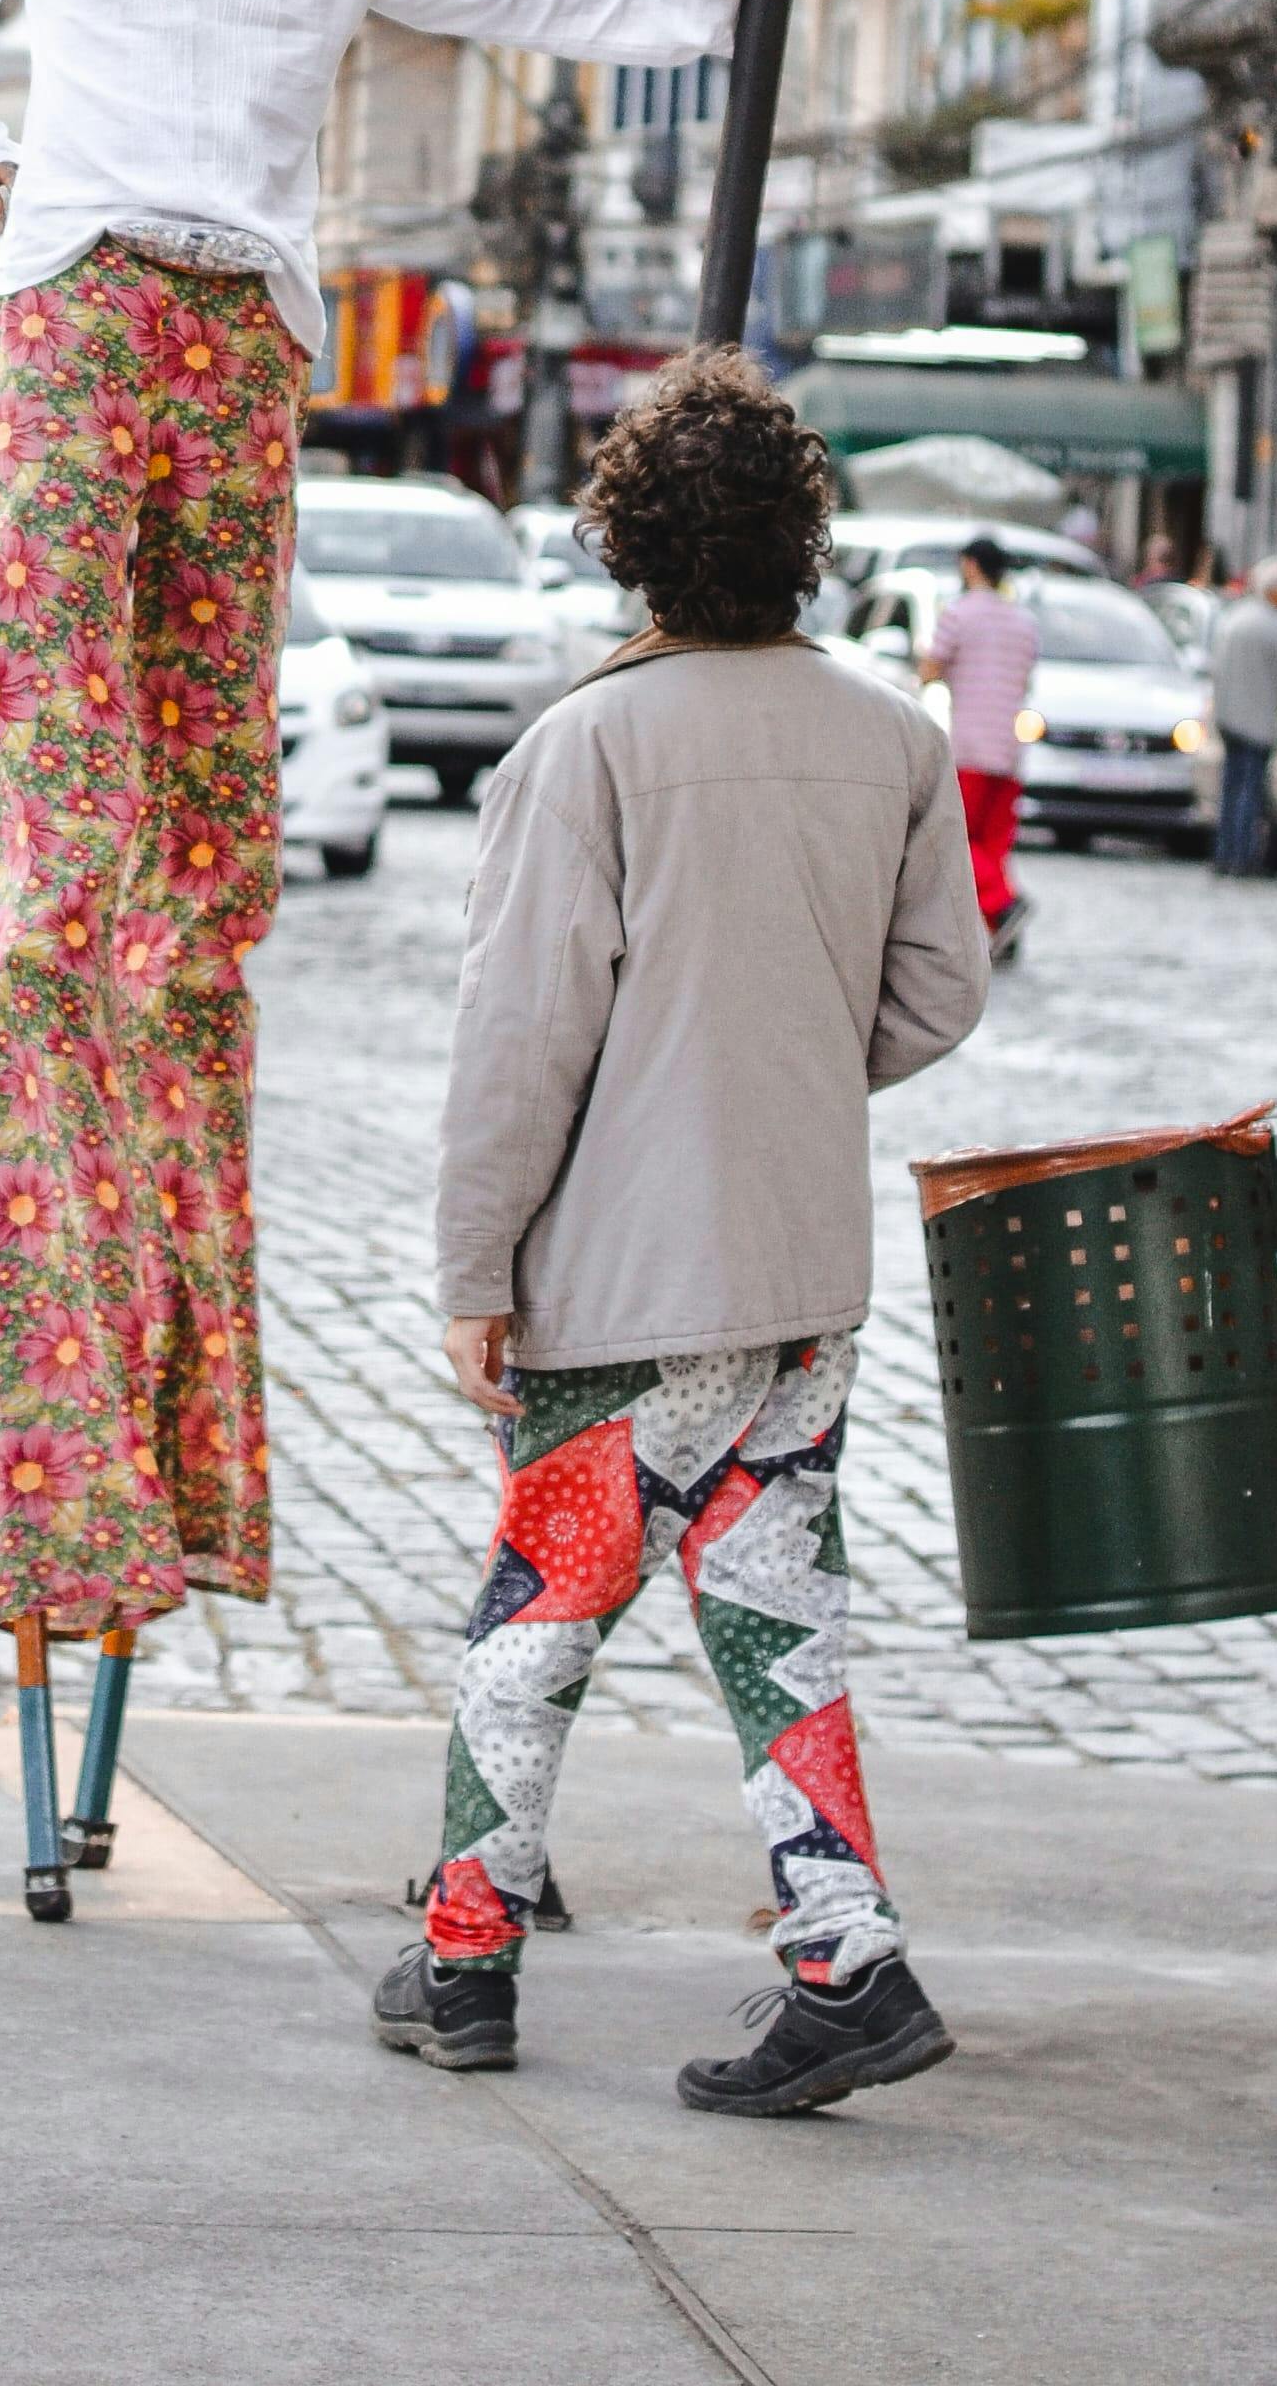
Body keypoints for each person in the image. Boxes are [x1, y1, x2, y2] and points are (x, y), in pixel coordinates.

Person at [0, 0, 801, 1649]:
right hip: (85, 288)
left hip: (253, 322)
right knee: (73, 759)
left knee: (206, 801)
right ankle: (62, 926)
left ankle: (165, 953)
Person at [372, 349, 986, 2110]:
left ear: (628, 549)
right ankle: (845, 1958)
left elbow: (521, 1043)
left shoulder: (585, 748)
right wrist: (779, 1069)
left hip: (625, 1285)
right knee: (779, 1627)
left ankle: (469, 1957)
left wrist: (471, 1270)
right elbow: (939, 991)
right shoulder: (888, 737)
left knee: (535, 1622)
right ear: (800, 543)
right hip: (796, 1275)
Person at [921, 535, 1041, 959]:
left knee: (959, 838)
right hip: (1009, 747)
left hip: (970, 743)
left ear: (971, 566)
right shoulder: (1023, 622)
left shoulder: (958, 614)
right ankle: (1000, 931)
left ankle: (1003, 906)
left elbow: (931, 668)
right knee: (994, 844)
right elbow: (1025, 680)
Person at [1207, 557, 1277, 875]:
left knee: (1231, 790)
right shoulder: (1275, 627)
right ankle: (1243, 856)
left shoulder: (1234, 620)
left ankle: (1225, 852)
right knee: (1249, 791)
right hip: (1258, 722)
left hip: (1229, 719)